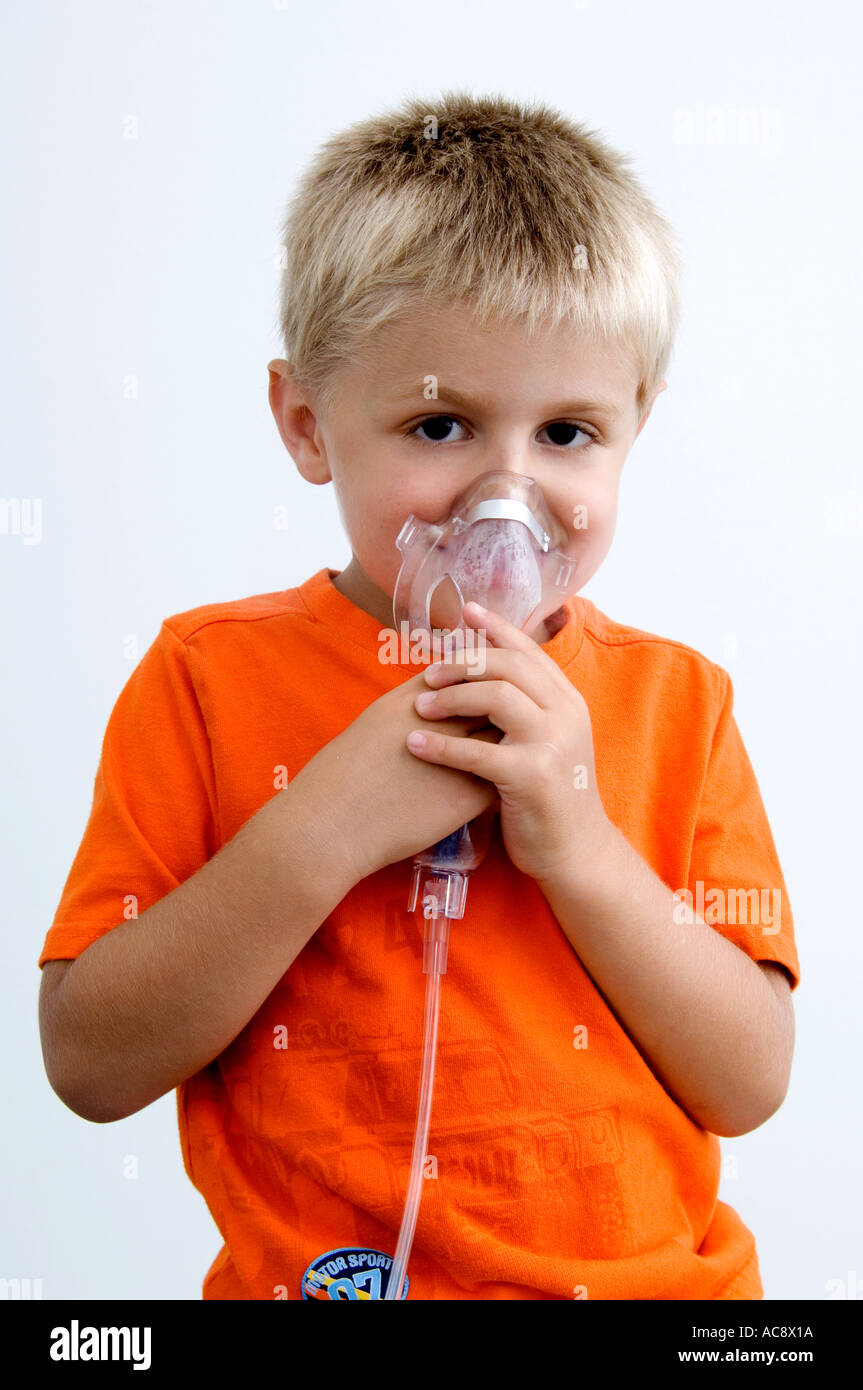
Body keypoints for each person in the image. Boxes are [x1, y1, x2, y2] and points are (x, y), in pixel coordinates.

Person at [37, 90, 800, 1301]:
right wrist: (325, 822)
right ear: (305, 422)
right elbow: (87, 1060)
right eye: (440, 423)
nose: (507, 495)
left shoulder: (676, 704)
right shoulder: (202, 683)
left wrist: (582, 845)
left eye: (566, 433)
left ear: (633, 429)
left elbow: (749, 1081)